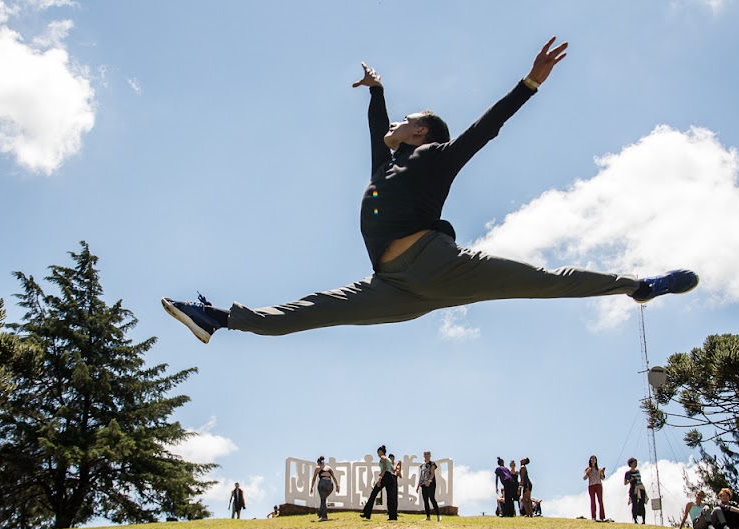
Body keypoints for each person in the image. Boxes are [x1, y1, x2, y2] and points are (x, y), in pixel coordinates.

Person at [160, 38, 698, 345]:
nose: (397, 123)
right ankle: (221, 320)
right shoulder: (385, 168)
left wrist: (529, 83)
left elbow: (485, 129)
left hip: (441, 267)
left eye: (407, 119)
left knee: (541, 281)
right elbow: (378, 131)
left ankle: (639, 285)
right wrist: (379, 92)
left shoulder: (436, 158)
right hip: (395, 287)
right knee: (315, 309)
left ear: (421, 133)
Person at [361, 445, 398, 520]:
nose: (377, 454)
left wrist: (380, 478)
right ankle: (393, 516)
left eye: (378, 452)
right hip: (390, 477)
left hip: (385, 476)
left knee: (373, 494)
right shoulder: (389, 459)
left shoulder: (383, 458)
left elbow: (384, 468)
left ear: (381, 452)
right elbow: (393, 470)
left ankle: (367, 513)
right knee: (391, 497)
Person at [310, 456, 340, 522]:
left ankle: (324, 516)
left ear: (318, 462)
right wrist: (337, 486)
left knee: (323, 500)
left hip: (322, 484)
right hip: (330, 485)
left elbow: (314, 478)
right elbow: (334, 477)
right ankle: (320, 513)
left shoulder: (318, 468)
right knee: (323, 499)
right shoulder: (329, 468)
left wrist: (311, 487)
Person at [418, 450, 441, 521]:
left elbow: (432, 473)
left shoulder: (432, 464)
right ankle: (428, 517)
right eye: (425, 454)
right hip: (423, 484)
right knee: (425, 500)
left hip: (431, 484)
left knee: (432, 498)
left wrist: (429, 481)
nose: (426, 455)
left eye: (428, 454)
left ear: (430, 455)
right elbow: (421, 475)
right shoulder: (422, 465)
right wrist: (418, 485)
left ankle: (438, 515)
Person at [583, 455, 606, 522]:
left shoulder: (599, 469)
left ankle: (602, 517)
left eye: (594, 459)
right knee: (593, 501)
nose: (593, 460)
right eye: (592, 459)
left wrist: (603, 473)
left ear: (596, 461)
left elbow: (602, 478)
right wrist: (588, 472)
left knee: (600, 501)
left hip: (598, 485)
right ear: (590, 461)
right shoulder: (588, 469)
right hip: (591, 486)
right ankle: (593, 517)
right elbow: (584, 478)